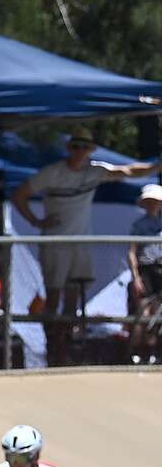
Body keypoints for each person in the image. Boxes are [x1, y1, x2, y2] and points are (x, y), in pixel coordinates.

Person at [10, 130, 155, 364]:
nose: (79, 151)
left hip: (80, 244)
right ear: (69, 148)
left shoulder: (94, 172)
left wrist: (155, 167)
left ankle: (65, 343)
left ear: (90, 150)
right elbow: (20, 195)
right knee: (53, 295)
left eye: (84, 147)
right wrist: (35, 221)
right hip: (55, 243)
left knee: (73, 295)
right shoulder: (53, 173)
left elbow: (128, 171)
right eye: (76, 146)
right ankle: (52, 345)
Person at [126, 183, 162, 365]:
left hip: (160, 271)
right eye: (149, 201)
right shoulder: (138, 225)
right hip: (145, 270)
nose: (153, 205)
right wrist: (136, 277)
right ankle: (136, 350)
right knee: (144, 312)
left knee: (157, 314)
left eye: (155, 202)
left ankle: (153, 350)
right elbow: (132, 251)